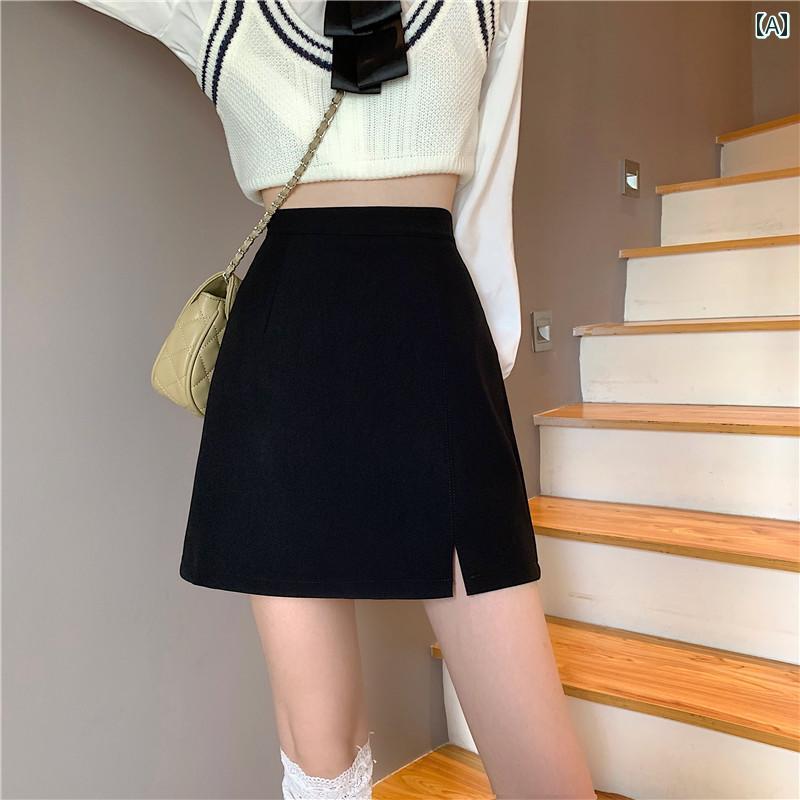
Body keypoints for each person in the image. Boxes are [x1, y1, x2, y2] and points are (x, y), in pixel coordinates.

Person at [74, 1, 597, 798]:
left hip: (436, 347)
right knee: (319, 744)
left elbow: (489, 190)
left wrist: (476, 373)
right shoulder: (216, 8)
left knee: (535, 751)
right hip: (285, 365)